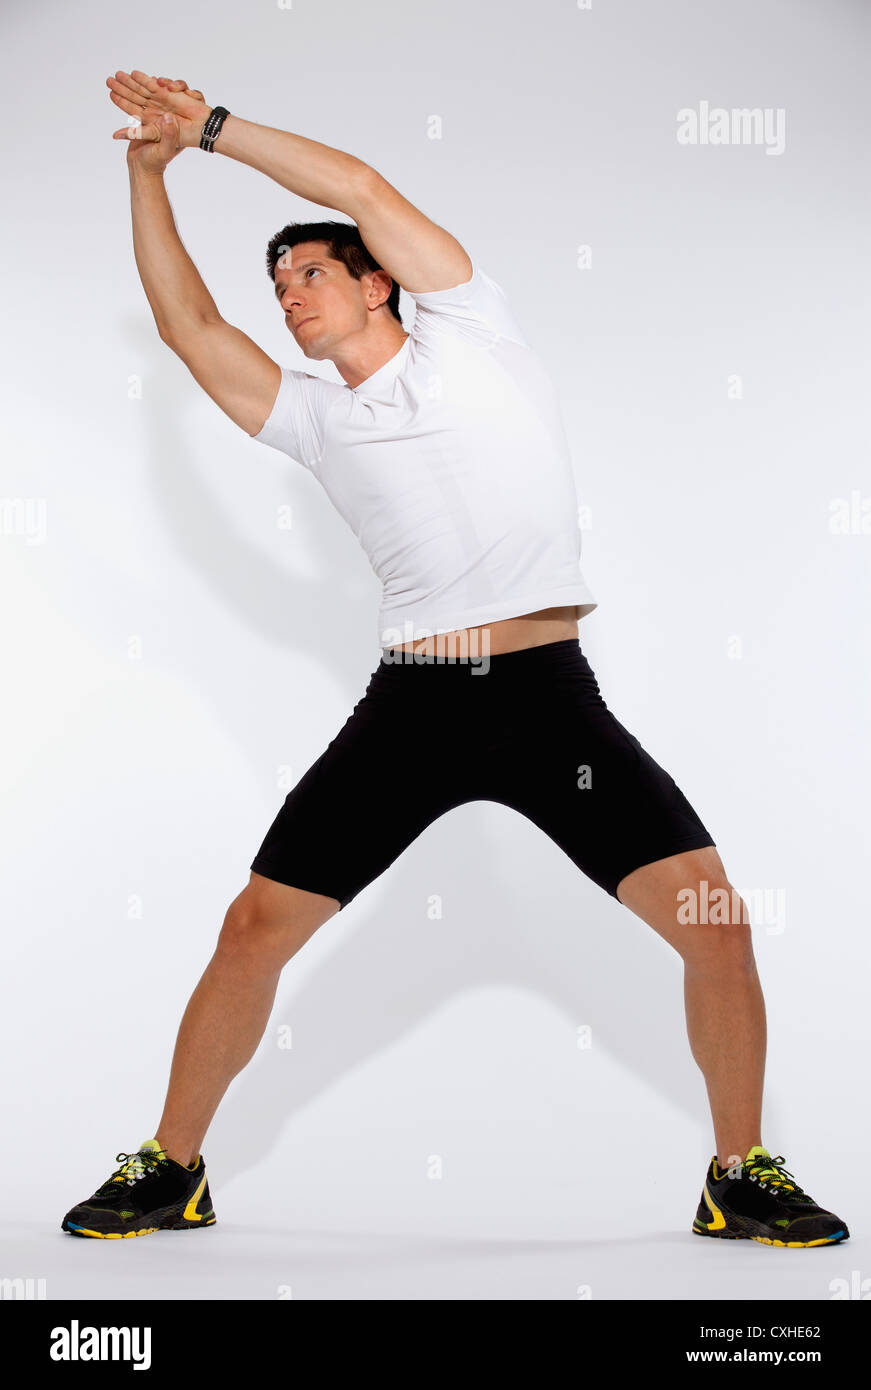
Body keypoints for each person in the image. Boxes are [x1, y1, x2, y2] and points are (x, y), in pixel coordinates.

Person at [60, 69, 848, 1249]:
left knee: (713, 920)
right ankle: (173, 1166)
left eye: (311, 272)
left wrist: (213, 131)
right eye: (278, 287)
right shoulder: (318, 417)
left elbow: (364, 186)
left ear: (380, 281)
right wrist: (145, 175)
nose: (289, 298)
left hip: (548, 706)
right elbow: (188, 329)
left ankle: (739, 1172)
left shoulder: (472, 326)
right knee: (253, 927)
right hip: (414, 711)